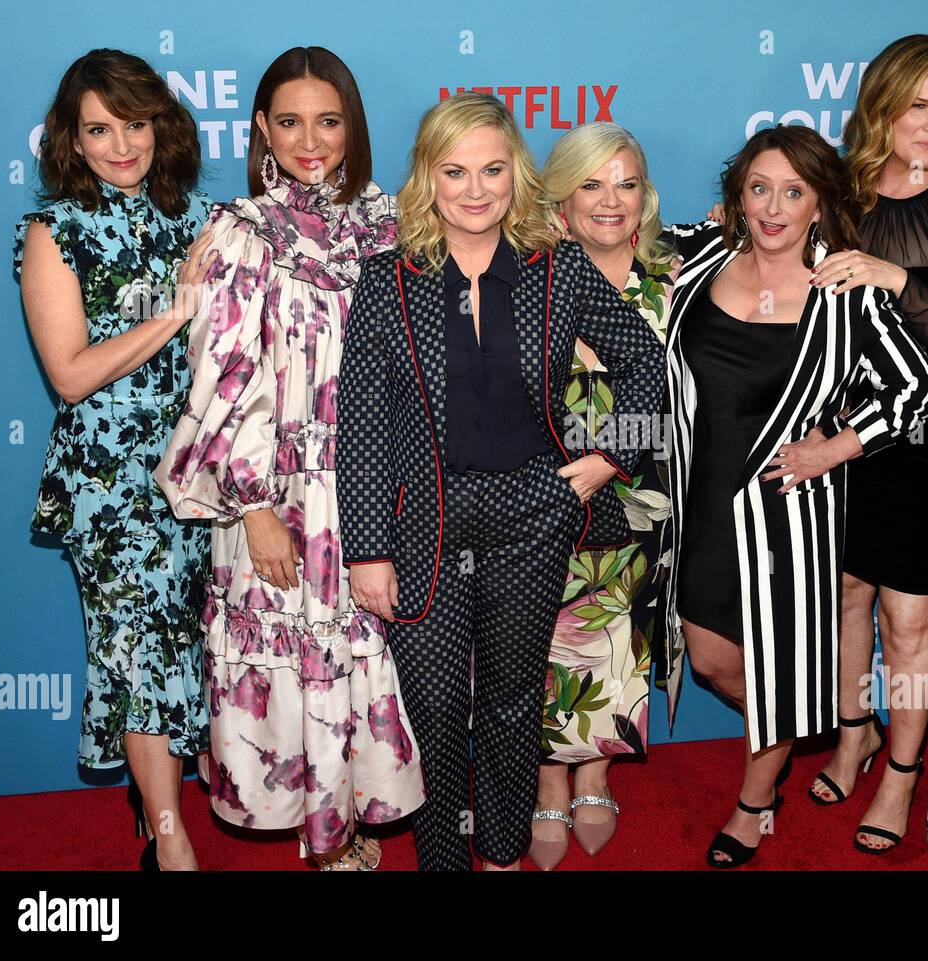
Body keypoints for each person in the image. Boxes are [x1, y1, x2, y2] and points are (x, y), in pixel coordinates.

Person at [337, 92, 665, 872]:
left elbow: (648, 363)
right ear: (428, 177)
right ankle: (445, 860)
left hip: (534, 509)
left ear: (516, 173)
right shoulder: (388, 279)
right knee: (438, 705)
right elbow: (362, 425)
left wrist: (602, 464)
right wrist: (366, 550)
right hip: (427, 521)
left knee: (516, 705)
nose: (476, 188)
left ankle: (506, 852)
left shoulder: (558, 268)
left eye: (492, 168)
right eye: (456, 171)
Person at [155, 46, 424, 871]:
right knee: (298, 651)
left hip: (379, 481)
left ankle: (358, 806)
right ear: (263, 129)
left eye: (329, 120)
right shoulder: (243, 233)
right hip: (283, 494)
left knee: (370, 648)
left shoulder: (392, 222)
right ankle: (326, 833)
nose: (311, 139)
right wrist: (255, 505)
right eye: (291, 121)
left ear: (354, 127)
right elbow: (224, 378)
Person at [664, 124, 928, 868]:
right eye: (760, 188)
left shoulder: (842, 290)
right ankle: (813, 725)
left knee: (776, 662)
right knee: (712, 657)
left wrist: (835, 446)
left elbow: (919, 388)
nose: (775, 206)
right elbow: (617, 224)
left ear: (820, 202)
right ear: (738, 197)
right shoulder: (701, 259)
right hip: (702, 500)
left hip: (789, 510)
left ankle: (757, 799)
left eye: (794, 191)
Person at [805, 35, 928, 854]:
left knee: (911, 621)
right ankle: (853, 731)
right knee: (848, 598)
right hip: (846, 436)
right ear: (880, 109)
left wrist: (897, 280)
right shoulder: (840, 195)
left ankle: (900, 769)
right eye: (916, 105)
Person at [14, 48, 215, 870]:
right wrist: (174, 314)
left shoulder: (202, 219)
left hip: (198, 468)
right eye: (100, 129)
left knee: (188, 639)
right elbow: (70, 373)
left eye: (135, 123)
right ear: (71, 137)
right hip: (109, 481)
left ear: (162, 126)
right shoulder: (53, 230)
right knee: (137, 642)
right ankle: (170, 836)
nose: (121, 144)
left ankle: (153, 793)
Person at [528, 123, 678, 868]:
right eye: (590, 184)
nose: (610, 200)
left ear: (646, 196)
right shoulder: (528, 277)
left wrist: (608, 459)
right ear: (559, 199)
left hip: (639, 492)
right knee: (543, 637)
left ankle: (596, 770)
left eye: (626, 183)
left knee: (620, 636)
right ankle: (547, 774)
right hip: (544, 493)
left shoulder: (677, 279)